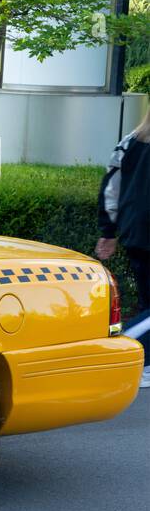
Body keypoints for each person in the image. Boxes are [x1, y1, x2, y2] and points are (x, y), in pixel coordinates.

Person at [96, 110, 150, 389]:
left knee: (146, 301)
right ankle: (131, 357)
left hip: (134, 232)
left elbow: (110, 188)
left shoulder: (130, 142)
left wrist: (109, 230)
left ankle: (137, 360)